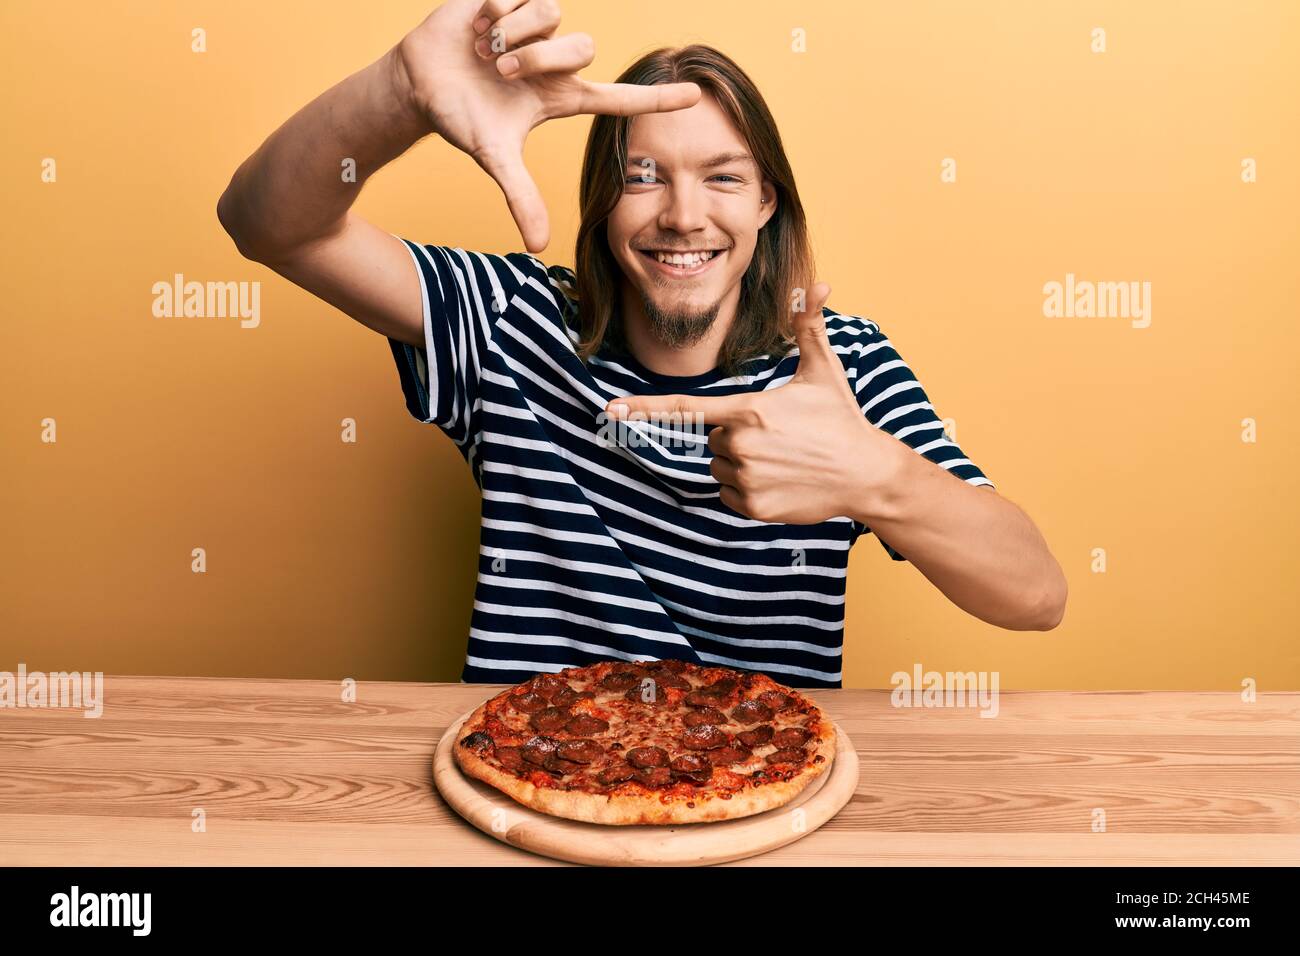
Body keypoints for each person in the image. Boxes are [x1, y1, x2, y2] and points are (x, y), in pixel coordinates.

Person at [218, 0, 1067, 687]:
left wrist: (872, 475)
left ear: (767, 203)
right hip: (526, 783)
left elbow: (1036, 595)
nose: (683, 216)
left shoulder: (839, 375)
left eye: (723, 177)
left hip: (754, 792)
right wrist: (400, 91)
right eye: (643, 177)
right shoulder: (509, 323)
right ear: (602, 202)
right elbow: (267, 226)